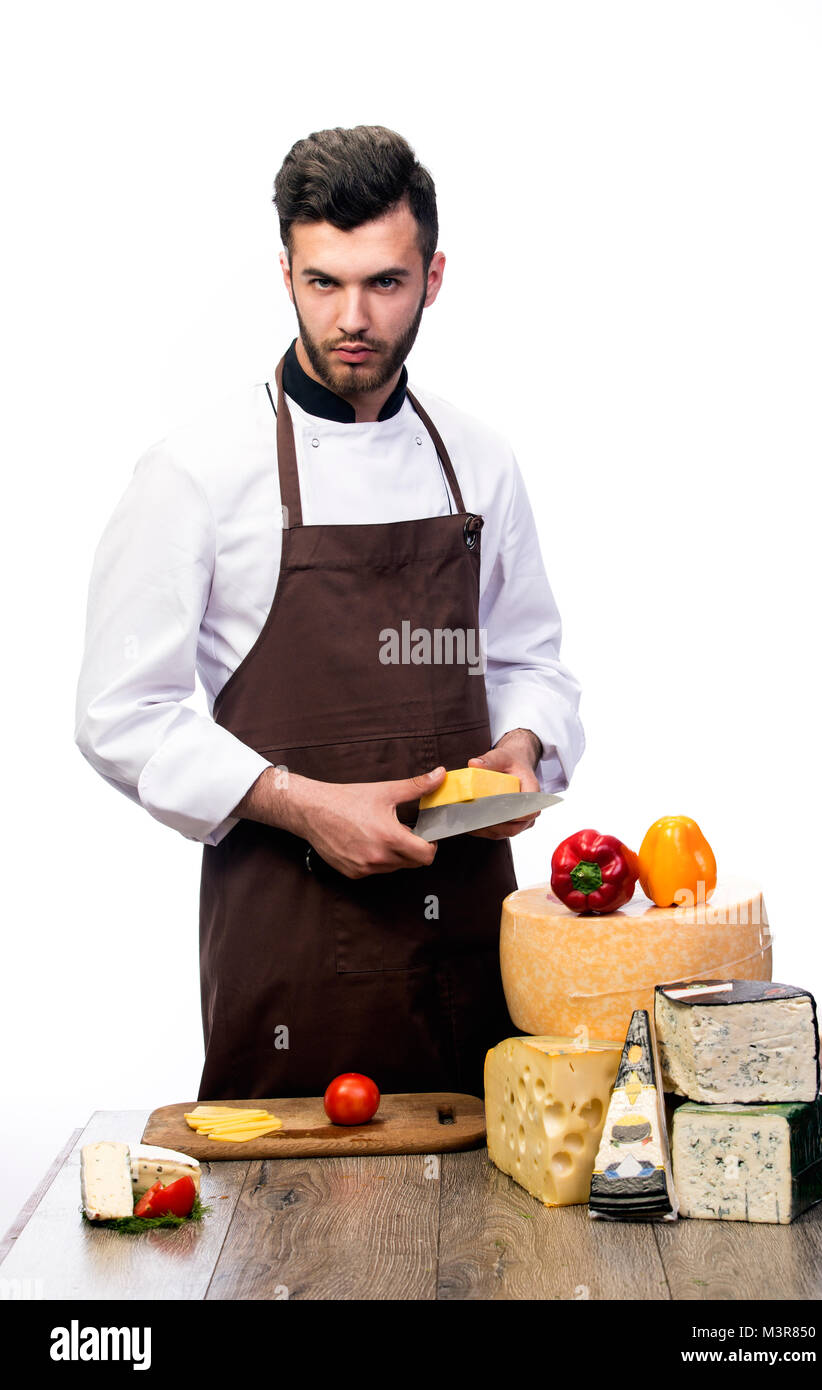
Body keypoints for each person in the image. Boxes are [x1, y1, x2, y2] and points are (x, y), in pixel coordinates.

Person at [75, 125, 585, 1100]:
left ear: (432, 276)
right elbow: (117, 713)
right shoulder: (197, 471)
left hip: (474, 940)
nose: (351, 317)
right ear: (285, 273)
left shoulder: (476, 460)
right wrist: (302, 805)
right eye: (322, 282)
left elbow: (529, 658)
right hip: (290, 952)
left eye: (384, 284)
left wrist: (522, 746)